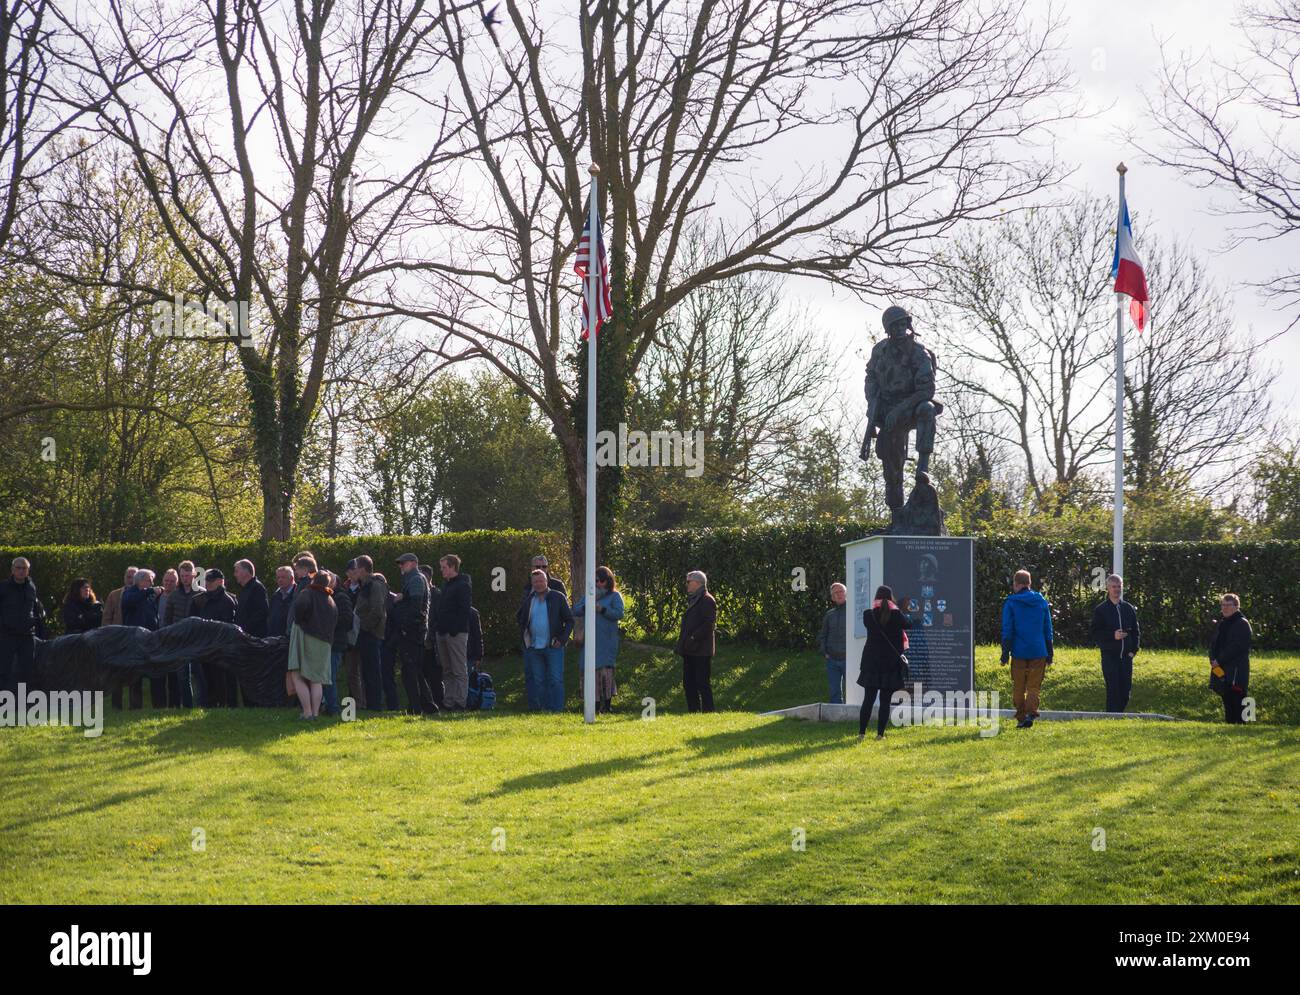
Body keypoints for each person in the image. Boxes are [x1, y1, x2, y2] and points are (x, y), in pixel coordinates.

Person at [1000, 569, 1054, 729]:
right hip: (1039, 650)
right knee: (1033, 686)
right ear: (1029, 584)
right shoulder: (1041, 601)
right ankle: (1031, 712)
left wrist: (1005, 654)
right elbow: (1047, 629)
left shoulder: (1011, 603)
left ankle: (1022, 716)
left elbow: (1007, 630)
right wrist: (1050, 653)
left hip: (1018, 651)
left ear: (1016, 584)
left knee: (1018, 686)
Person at [857, 584, 910, 740]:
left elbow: (871, 624)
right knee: (885, 701)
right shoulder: (896, 615)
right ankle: (880, 735)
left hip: (871, 663)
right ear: (890, 597)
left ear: (876, 597)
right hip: (890, 664)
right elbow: (909, 625)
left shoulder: (868, 615)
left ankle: (861, 733)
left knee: (868, 699)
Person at [517, 568, 574, 711]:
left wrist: (562, 639)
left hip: (554, 647)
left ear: (546, 581)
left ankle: (558, 710)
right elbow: (520, 619)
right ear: (532, 584)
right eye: (535, 582)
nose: (538, 584)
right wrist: (526, 639)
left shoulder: (558, 597)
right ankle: (545, 709)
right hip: (534, 648)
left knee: (555, 679)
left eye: (541, 581)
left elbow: (570, 620)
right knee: (539, 681)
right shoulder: (529, 600)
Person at [287, 559, 337, 720]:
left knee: (298, 674)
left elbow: (299, 609)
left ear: (314, 580)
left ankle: (307, 712)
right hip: (324, 642)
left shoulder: (307, 593)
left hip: (306, 637)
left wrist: (301, 622)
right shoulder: (331, 600)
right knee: (316, 679)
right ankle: (315, 713)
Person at [571, 565, 625, 714]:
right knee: (590, 673)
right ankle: (592, 707)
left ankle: (607, 706)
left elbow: (619, 614)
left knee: (605, 674)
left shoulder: (614, 596)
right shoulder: (588, 595)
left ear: (608, 581)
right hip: (589, 642)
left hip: (606, 641)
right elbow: (575, 610)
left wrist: (602, 609)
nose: (598, 583)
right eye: (595, 580)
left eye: (601, 580)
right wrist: (587, 606)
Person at [392, 553, 437, 715]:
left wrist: (405, 626)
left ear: (412, 563)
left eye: (403, 563)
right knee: (415, 670)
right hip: (416, 630)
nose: (400, 566)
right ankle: (429, 706)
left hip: (412, 631)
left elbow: (416, 607)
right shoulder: (415, 579)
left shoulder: (416, 579)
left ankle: (416, 708)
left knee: (409, 671)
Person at [1090, 573, 1140, 713]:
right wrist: (1113, 635)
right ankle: (1111, 717)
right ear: (1108, 588)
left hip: (1126, 657)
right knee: (1113, 690)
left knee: (1125, 691)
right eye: (1114, 587)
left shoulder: (1128, 608)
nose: (1117, 589)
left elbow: (1136, 631)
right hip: (1110, 656)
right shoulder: (1101, 610)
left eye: (1119, 586)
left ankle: (1118, 715)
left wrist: (1133, 651)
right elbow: (1095, 633)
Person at [191, 568, 239, 706]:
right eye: (206, 580)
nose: (207, 583)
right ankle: (211, 705)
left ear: (220, 581)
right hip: (205, 646)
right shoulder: (198, 600)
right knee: (207, 679)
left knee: (226, 679)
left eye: (211, 581)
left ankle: (228, 705)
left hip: (224, 647)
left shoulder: (230, 600)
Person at [0, 558, 45, 695]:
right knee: (4, 669)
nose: (21, 571)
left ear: (28, 570)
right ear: (12, 570)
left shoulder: (31, 587)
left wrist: (37, 623)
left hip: (27, 634)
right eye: (18, 568)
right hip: (7, 634)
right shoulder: (3, 587)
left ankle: (26, 700)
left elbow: (35, 608)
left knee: (28, 669)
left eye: (24, 568)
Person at [122, 569, 166, 706]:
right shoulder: (129, 593)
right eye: (149, 580)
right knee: (136, 675)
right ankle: (135, 706)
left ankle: (159, 705)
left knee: (156, 673)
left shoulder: (149, 595)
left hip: (151, 638)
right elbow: (132, 601)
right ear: (140, 581)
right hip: (135, 640)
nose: (152, 583)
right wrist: (150, 591)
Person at [675, 570, 717, 713]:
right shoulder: (694, 598)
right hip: (690, 649)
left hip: (701, 649)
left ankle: (708, 711)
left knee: (702, 683)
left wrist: (693, 637)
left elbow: (709, 624)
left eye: (689, 581)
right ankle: (693, 711)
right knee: (689, 683)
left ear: (698, 583)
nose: (686, 584)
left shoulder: (707, 599)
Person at [435, 554, 473, 710]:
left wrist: (454, 630)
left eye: (444, 567)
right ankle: (448, 701)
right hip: (443, 632)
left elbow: (464, 611)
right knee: (447, 669)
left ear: (452, 567)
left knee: (458, 669)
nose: (442, 570)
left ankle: (460, 701)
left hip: (455, 634)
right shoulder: (447, 585)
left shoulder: (462, 585)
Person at [352, 555, 389, 712]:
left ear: (361, 569)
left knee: (372, 671)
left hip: (371, 633)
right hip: (366, 633)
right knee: (366, 671)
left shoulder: (375, 585)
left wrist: (364, 626)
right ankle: (369, 704)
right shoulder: (366, 585)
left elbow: (377, 610)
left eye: (356, 568)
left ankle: (374, 705)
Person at [1210, 593, 1252, 725]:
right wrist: (1212, 659)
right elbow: (1214, 644)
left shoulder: (1242, 623)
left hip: (1236, 669)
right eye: (1223, 605)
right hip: (1220, 668)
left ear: (1236, 606)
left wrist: (1220, 660)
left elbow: (1237, 647)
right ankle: (1230, 725)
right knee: (1226, 696)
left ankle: (1245, 725)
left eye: (1228, 605)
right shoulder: (1222, 624)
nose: (1225, 608)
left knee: (1238, 697)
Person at [322, 571, 354, 716]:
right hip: (329, 641)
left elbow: (348, 620)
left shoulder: (341, 597)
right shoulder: (330, 596)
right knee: (326, 676)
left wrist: (329, 624)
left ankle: (333, 707)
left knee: (330, 676)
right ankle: (328, 705)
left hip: (336, 642)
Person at [155, 569, 184, 707]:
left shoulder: (180, 597)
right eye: (166, 580)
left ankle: (175, 706)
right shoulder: (156, 596)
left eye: (172, 581)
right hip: (158, 640)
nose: (168, 583)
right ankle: (159, 706)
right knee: (159, 676)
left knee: (174, 677)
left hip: (173, 641)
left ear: (177, 582)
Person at [817, 582, 848, 705]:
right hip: (832, 659)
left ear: (846, 594)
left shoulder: (853, 612)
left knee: (852, 689)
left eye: (841, 591)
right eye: (836, 592)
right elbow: (823, 635)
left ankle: (851, 714)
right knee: (834, 691)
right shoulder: (829, 614)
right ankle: (836, 715)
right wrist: (824, 652)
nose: (839, 594)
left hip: (848, 658)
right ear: (832, 597)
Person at [419, 564, 444, 709]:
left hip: (432, 642)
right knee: (423, 674)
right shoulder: (425, 593)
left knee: (435, 676)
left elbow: (437, 618)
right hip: (423, 641)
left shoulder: (436, 594)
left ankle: (439, 702)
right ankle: (427, 703)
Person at [266, 566, 297, 638]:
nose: (280, 580)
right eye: (278, 578)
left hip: (289, 639)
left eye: (283, 577)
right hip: (274, 639)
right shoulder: (276, 595)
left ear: (292, 578)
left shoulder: (297, 595)